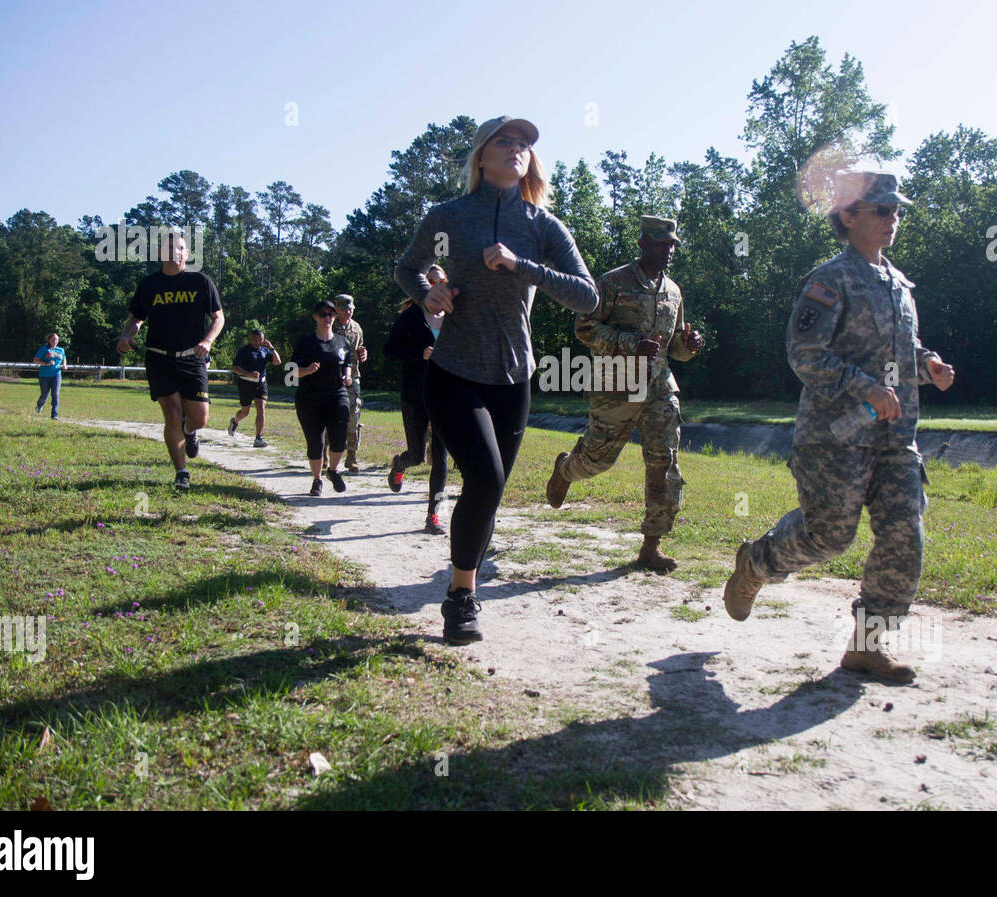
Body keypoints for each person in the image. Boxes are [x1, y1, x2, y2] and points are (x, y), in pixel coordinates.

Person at [722, 172, 956, 683]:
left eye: (897, 211)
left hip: (896, 439)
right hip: (835, 437)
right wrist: (864, 388)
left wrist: (927, 365)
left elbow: (898, 355)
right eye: (882, 210)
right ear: (848, 216)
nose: (893, 219)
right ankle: (757, 562)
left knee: (904, 536)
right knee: (829, 536)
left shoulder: (899, 285)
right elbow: (805, 354)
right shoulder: (830, 280)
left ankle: (866, 646)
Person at [394, 115, 598, 644]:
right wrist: (426, 294)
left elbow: (587, 295)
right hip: (454, 369)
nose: (516, 149)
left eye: (525, 144)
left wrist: (521, 265)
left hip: (514, 377)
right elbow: (408, 267)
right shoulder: (447, 215)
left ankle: (462, 581)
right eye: (504, 141)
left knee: (490, 491)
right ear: (481, 156)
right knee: (484, 479)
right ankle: (462, 598)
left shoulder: (542, 225)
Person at [545, 216, 704, 572]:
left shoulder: (673, 291)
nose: (669, 250)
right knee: (598, 460)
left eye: (673, 244)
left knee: (665, 462)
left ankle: (652, 545)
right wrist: (631, 343)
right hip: (616, 386)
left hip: (660, 388)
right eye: (662, 244)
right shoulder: (612, 283)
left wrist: (689, 345)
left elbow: (673, 346)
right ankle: (567, 470)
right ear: (643, 243)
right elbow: (584, 327)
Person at [116, 230, 225, 491]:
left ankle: (190, 431)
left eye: (180, 248)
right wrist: (126, 335)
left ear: (186, 253)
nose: (175, 252)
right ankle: (181, 472)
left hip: (192, 357)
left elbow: (218, 318)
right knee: (172, 413)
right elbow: (136, 319)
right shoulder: (149, 285)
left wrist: (207, 341)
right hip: (159, 357)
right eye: (169, 248)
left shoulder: (200, 281)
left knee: (199, 418)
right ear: (159, 253)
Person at [383, 263, 450, 535]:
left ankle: (434, 516)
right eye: (427, 282)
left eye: (437, 282)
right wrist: (419, 353)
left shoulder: (454, 316)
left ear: (445, 284)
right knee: (417, 456)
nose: (432, 287)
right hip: (415, 393)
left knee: (441, 457)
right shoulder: (410, 316)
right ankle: (400, 464)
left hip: (447, 391)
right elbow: (389, 350)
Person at [290, 300, 354, 497]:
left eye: (331, 314)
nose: (327, 318)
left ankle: (333, 471)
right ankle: (317, 480)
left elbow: (347, 363)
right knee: (315, 442)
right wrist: (307, 370)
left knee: (340, 436)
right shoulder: (306, 342)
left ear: (335, 317)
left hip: (337, 394)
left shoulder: (343, 342)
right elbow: (291, 373)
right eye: (323, 314)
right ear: (315, 317)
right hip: (309, 397)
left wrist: (348, 376)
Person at [227, 328, 280, 447]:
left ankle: (258, 438)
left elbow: (277, 362)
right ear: (250, 339)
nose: (257, 342)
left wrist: (272, 348)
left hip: (261, 383)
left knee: (261, 409)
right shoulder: (244, 351)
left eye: (259, 340)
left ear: (263, 339)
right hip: (245, 383)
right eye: (254, 339)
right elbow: (234, 368)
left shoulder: (265, 350)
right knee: (245, 412)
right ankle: (235, 422)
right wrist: (248, 374)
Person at [333, 294, 368, 473]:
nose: (349, 310)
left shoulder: (356, 327)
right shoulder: (330, 325)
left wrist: (363, 353)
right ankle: (324, 454)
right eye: (345, 307)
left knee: (353, 416)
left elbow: (360, 347)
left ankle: (352, 456)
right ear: (336, 308)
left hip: (352, 376)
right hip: (331, 377)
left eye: (351, 308)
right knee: (329, 417)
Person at [33, 332, 66, 419]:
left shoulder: (61, 350)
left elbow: (64, 358)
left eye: (56, 339)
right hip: (44, 375)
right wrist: (45, 363)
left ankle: (54, 415)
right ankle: (39, 405)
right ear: (49, 340)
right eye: (53, 339)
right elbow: (35, 360)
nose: (55, 341)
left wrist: (64, 365)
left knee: (55, 394)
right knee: (44, 395)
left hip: (56, 375)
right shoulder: (44, 349)